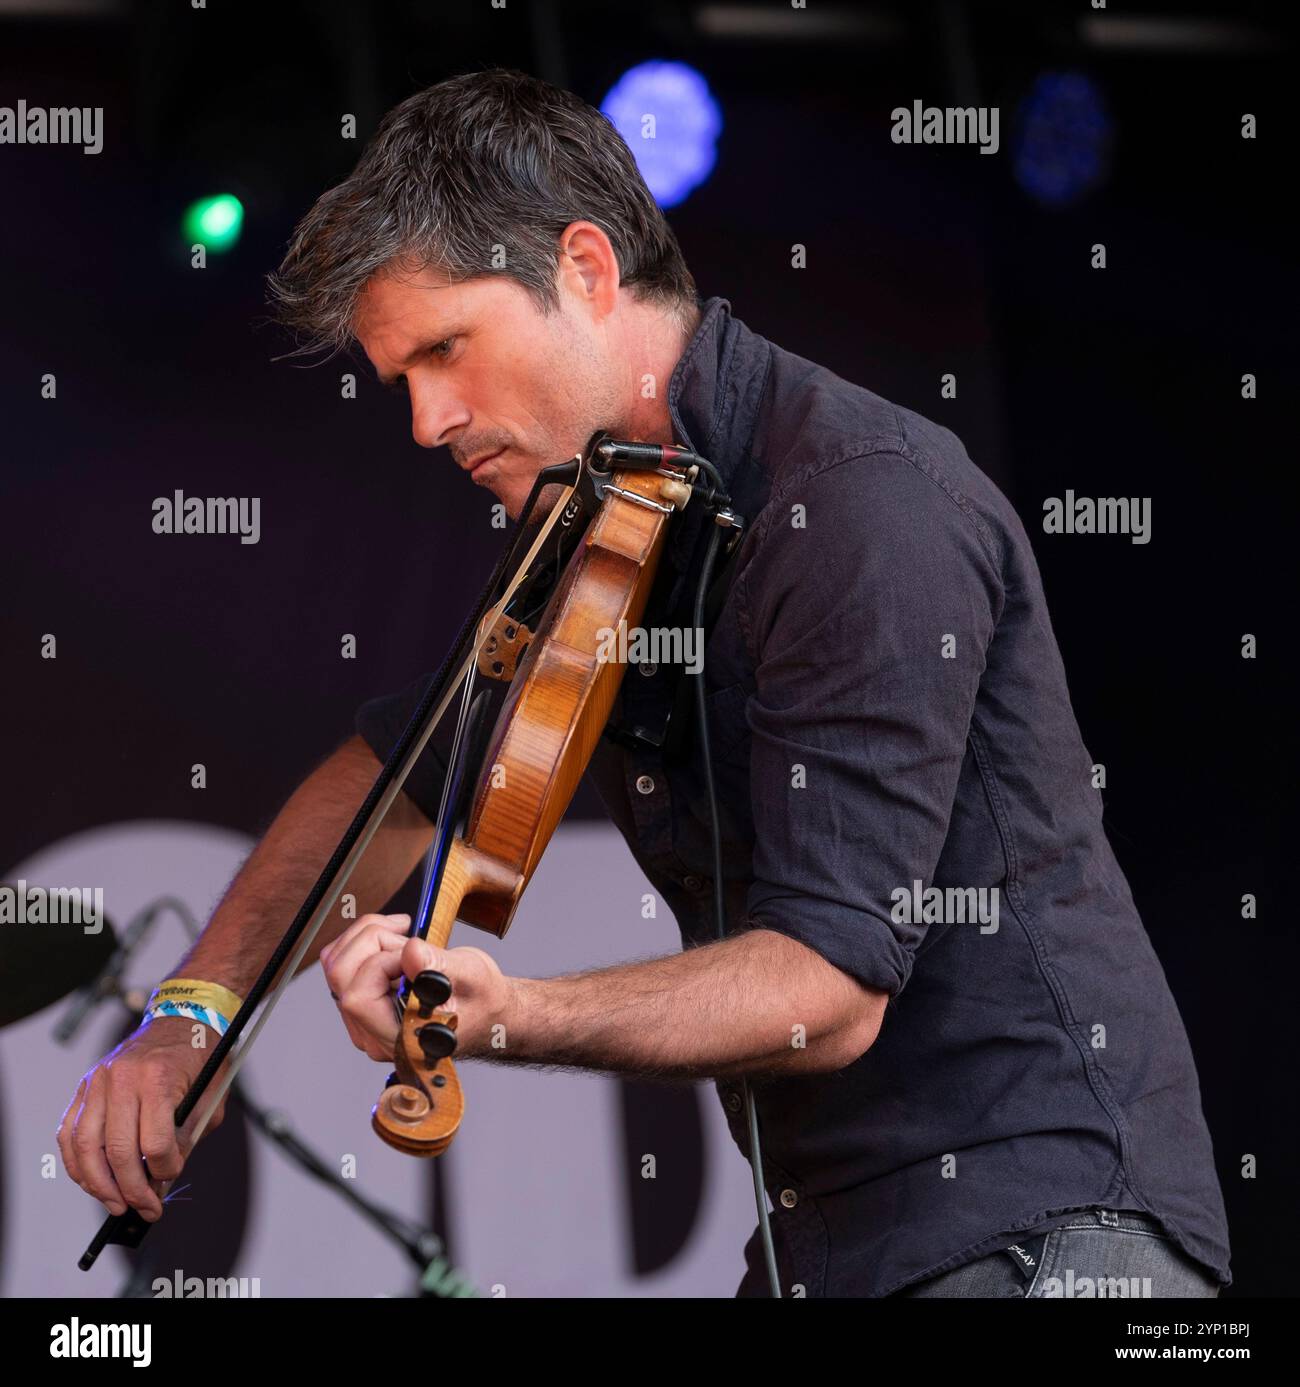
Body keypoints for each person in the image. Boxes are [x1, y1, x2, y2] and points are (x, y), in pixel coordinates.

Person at [57, 68, 1231, 1299]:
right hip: (827, 1242)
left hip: (1045, 1222)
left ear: (585, 268)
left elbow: (827, 989)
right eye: (402, 377)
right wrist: (197, 1015)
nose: (426, 420)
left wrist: (501, 1014)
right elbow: (391, 785)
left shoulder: (865, 500)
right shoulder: (602, 523)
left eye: (446, 351)